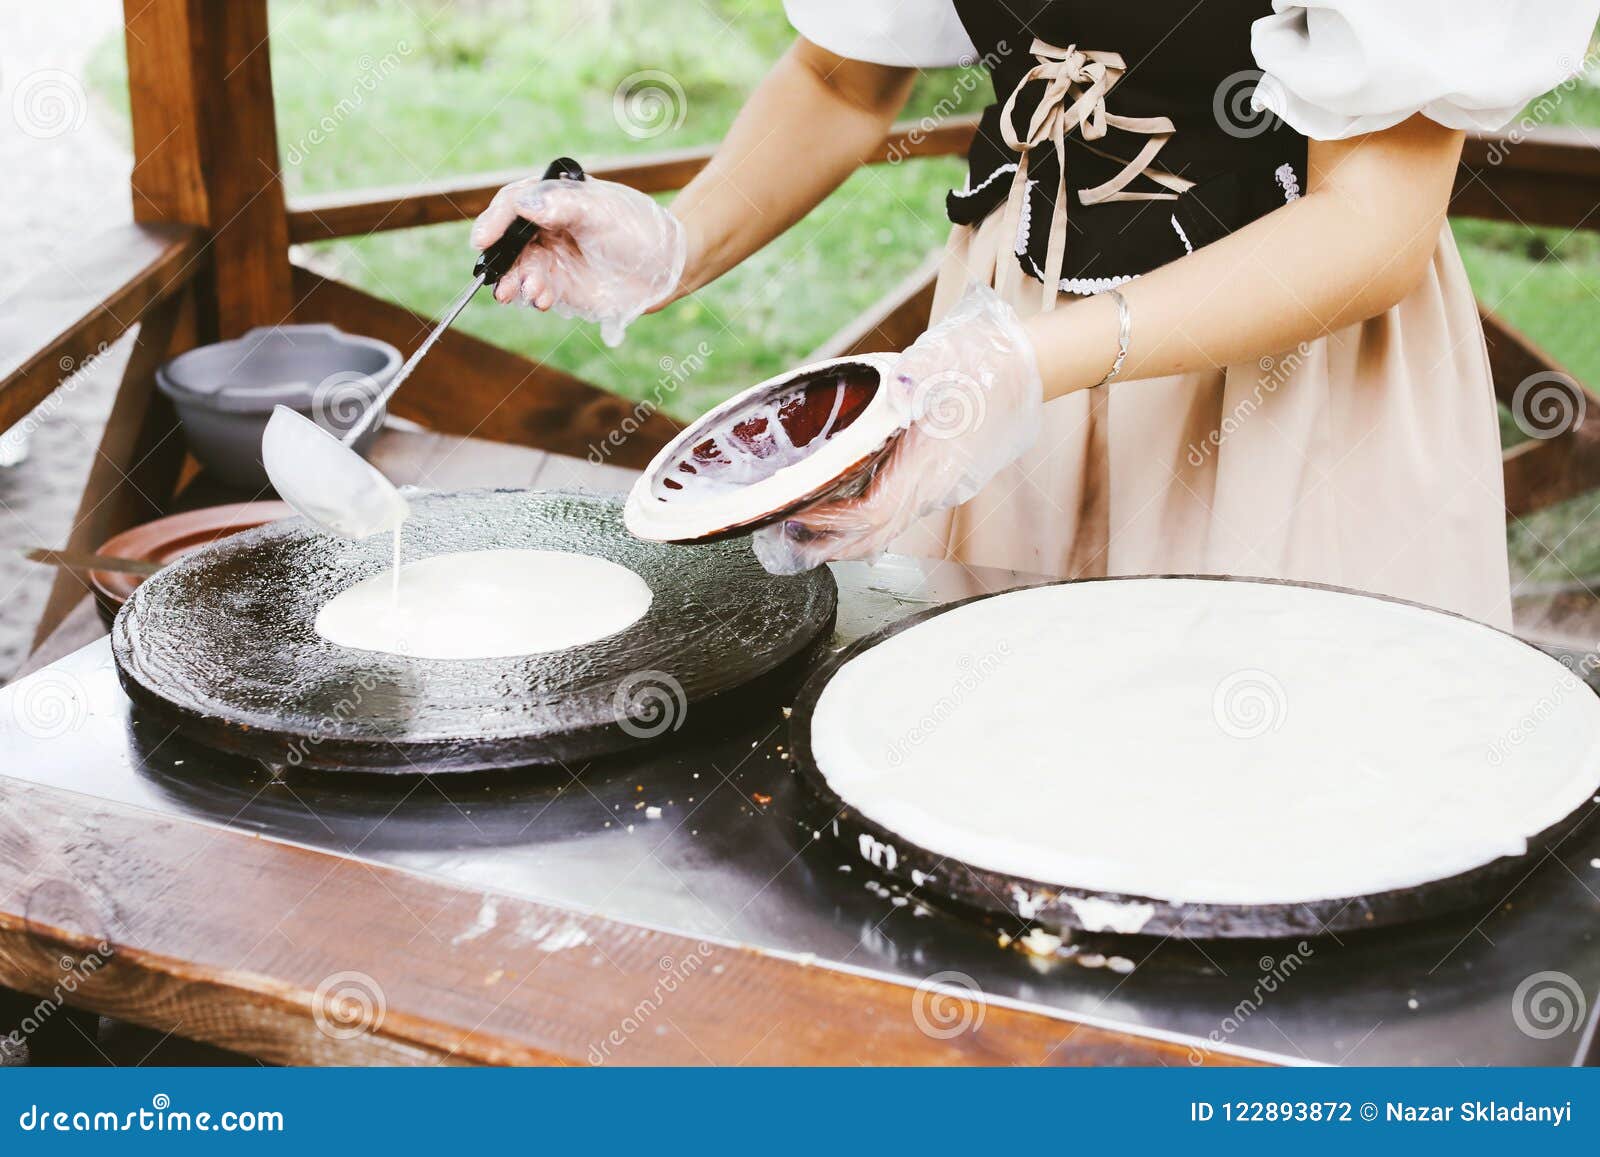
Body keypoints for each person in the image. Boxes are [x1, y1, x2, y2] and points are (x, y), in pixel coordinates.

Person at [471, 1, 1600, 629]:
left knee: (1265, 808)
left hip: (1282, 364)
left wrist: (1022, 361)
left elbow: (1373, 220)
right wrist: (676, 241)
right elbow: (838, 80)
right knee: (990, 769)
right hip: (1004, 340)